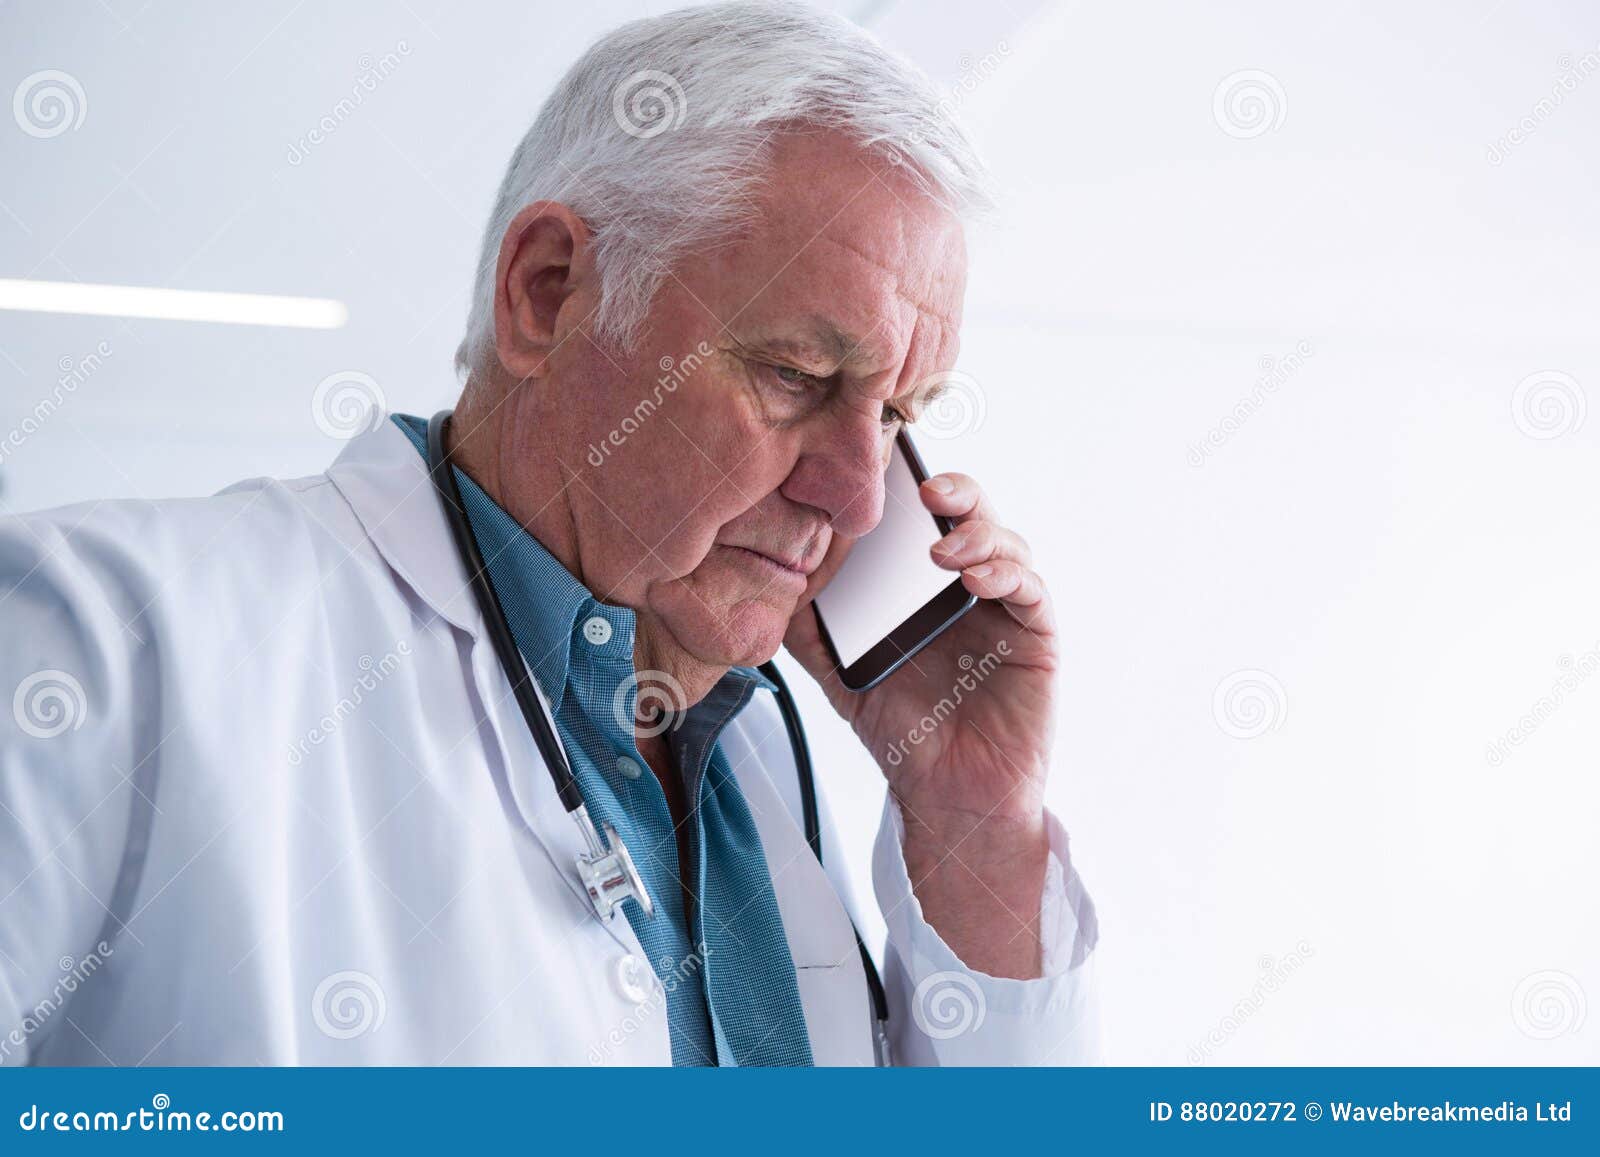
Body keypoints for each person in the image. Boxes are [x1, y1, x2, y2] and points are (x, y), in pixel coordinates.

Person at [0, 1, 1098, 1066]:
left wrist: (974, 823)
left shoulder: (754, 753)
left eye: (899, 415)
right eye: (795, 374)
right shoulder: (104, 639)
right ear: (547, 291)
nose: (860, 498)